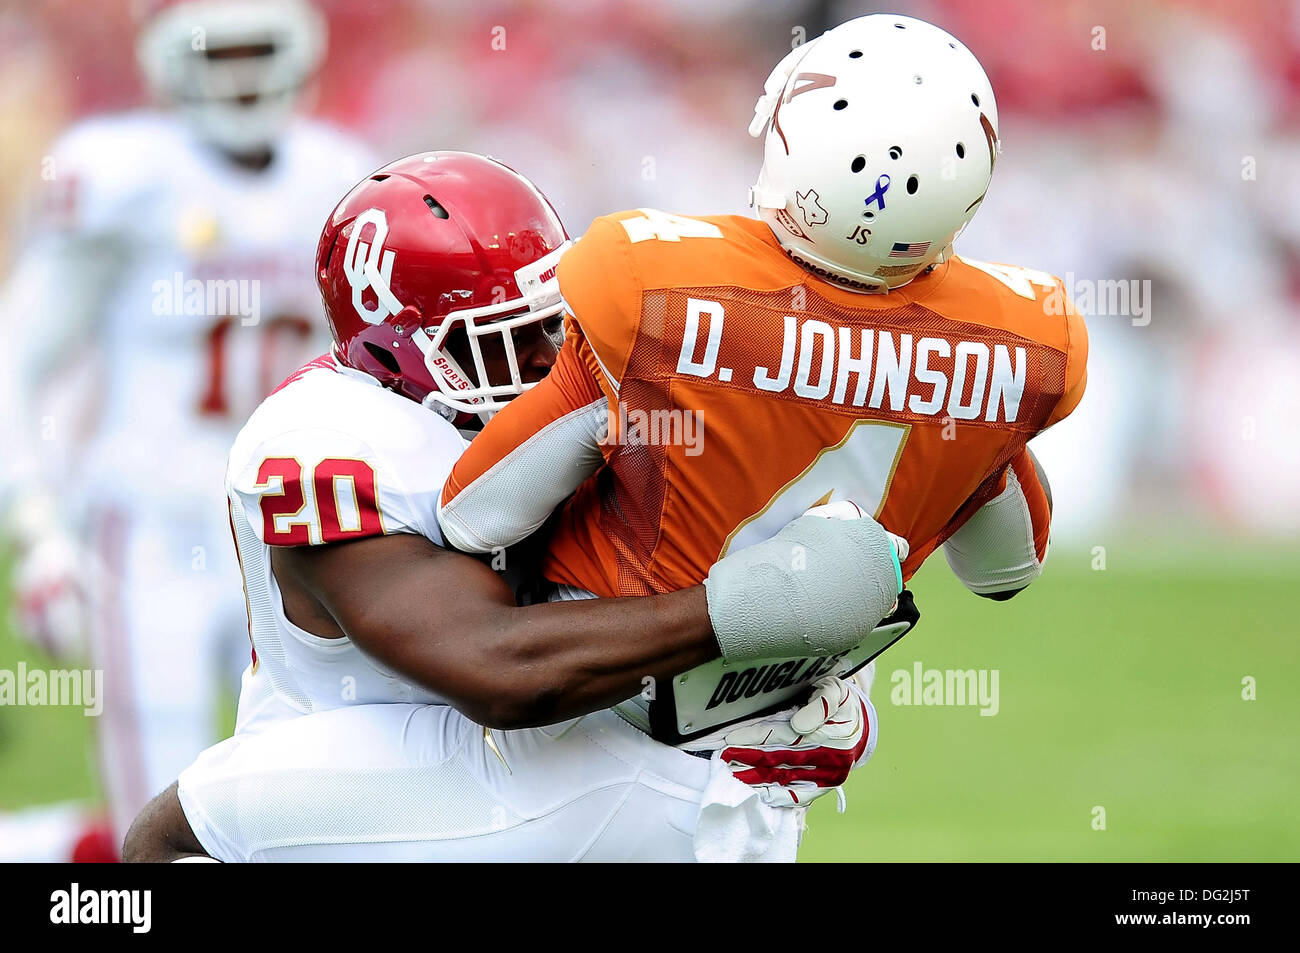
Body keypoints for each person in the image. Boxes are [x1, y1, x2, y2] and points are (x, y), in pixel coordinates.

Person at [123, 151, 903, 862]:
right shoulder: (328, 441)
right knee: (189, 827)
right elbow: (500, 667)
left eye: (552, 322)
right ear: (403, 347)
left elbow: (637, 615)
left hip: (533, 767)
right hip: (368, 780)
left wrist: (787, 691)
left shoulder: (583, 407)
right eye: (507, 338)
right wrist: (748, 609)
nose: (545, 358)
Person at [437, 14, 1084, 754]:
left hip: (605, 704)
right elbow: (1006, 570)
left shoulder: (653, 287)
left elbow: (472, 514)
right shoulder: (1017, 344)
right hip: (792, 724)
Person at [0, 0, 375, 860]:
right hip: (150, 529)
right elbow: (18, 356)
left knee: (328, 798)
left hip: (291, 530)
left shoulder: (343, 176)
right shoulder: (123, 174)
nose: (242, 75)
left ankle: (36, 845)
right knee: (161, 815)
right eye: (221, 51)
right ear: (171, 58)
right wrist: (39, 530)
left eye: (259, 50)